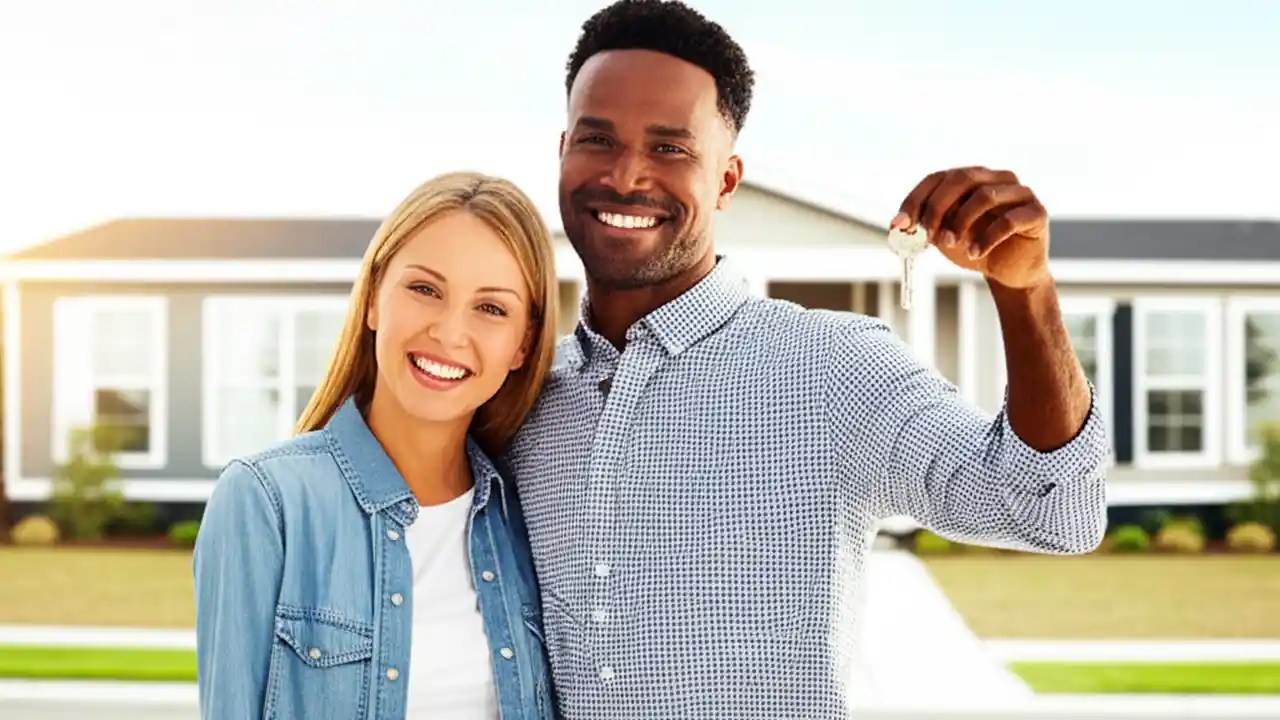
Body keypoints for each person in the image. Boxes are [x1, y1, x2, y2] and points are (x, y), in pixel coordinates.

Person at [500, 1, 1110, 718]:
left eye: (670, 148)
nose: (627, 176)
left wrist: (1025, 294)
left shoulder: (833, 369)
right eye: (598, 140)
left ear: (727, 181)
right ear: (563, 149)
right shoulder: (518, 396)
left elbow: (1054, 510)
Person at [193, 172, 561, 719]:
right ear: (372, 301)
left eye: (491, 309)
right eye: (425, 290)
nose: (448, 332)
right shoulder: (267, 502)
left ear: (522, 345)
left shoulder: (530, 517)